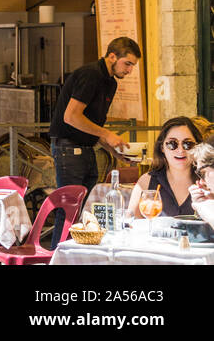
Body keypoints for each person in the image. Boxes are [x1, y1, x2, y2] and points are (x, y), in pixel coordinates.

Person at [49, 37, 142, 193]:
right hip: (68, 148)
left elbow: (91, 125)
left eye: (132, 66)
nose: (129, 70)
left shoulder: (111, 83)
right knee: (70, 208)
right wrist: (107, 133)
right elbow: (71, 116)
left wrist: (113, 150)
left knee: (87, 205)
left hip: (87, 149)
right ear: (112, 56)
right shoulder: (90, 75)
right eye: (127, 63)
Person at [126, 116, 199, 219]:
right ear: (162, 148)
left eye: (187, 144)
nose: (180, 150)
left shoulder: (207, 181)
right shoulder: (147, 181)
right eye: (172, 144)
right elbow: (130, 223)